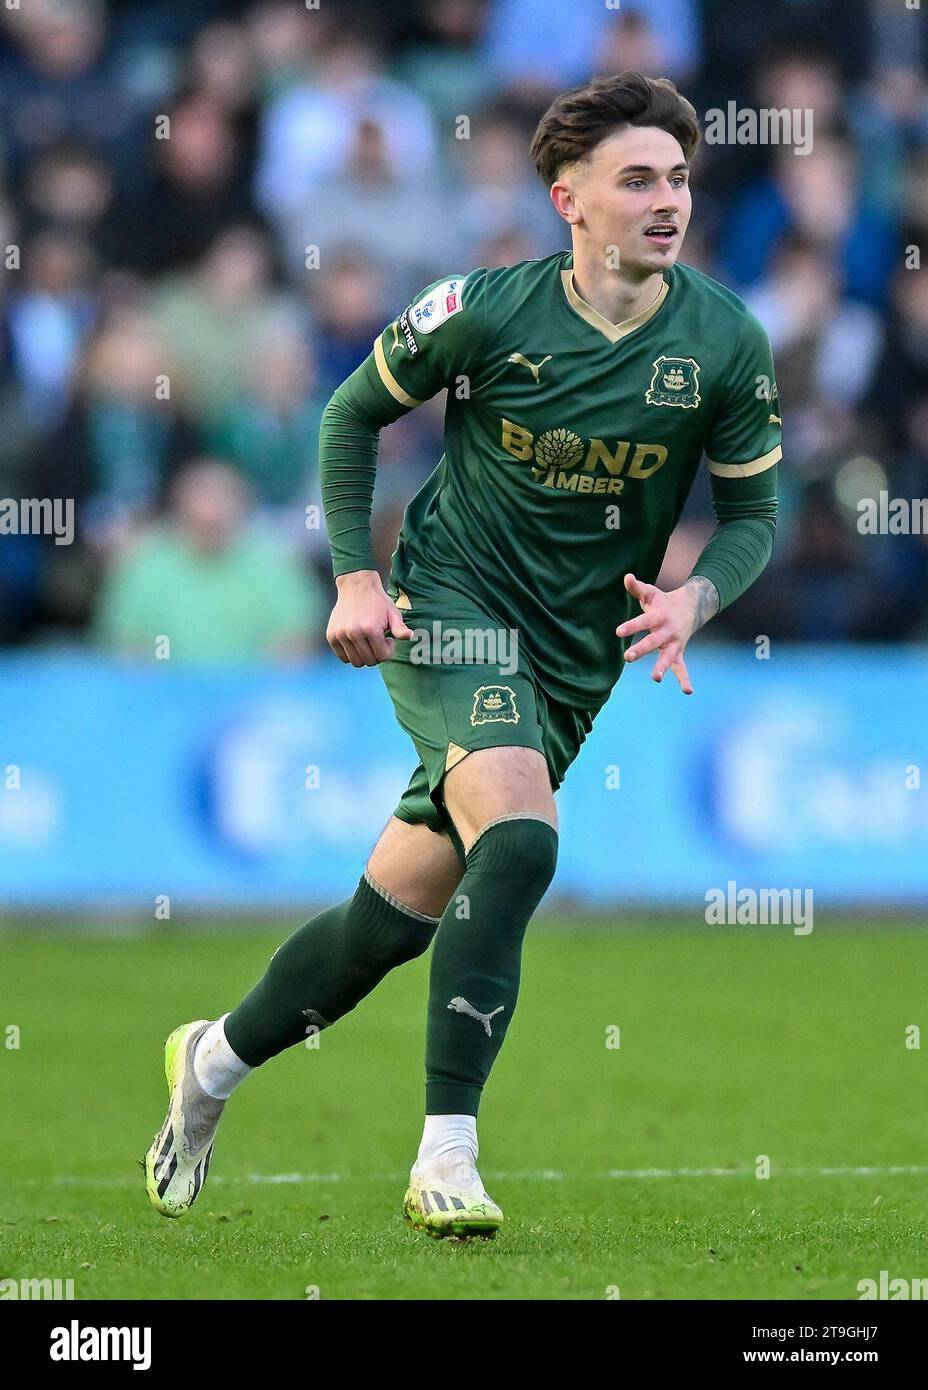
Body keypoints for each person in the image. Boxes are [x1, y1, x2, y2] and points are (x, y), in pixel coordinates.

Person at [144, 72, 780, 1238]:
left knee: (390, 918)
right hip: (452, 601)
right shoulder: (481, 308)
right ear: (566, 199)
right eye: (636, 177)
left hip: (575, 653)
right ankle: (447, 1155)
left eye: (679, 177)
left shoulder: (725, 342)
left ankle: (211, 1065)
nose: (666, 199)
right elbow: (348, 416)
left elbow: (752, 518)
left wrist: (696, 594)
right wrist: (353, 573)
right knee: (527, 840)